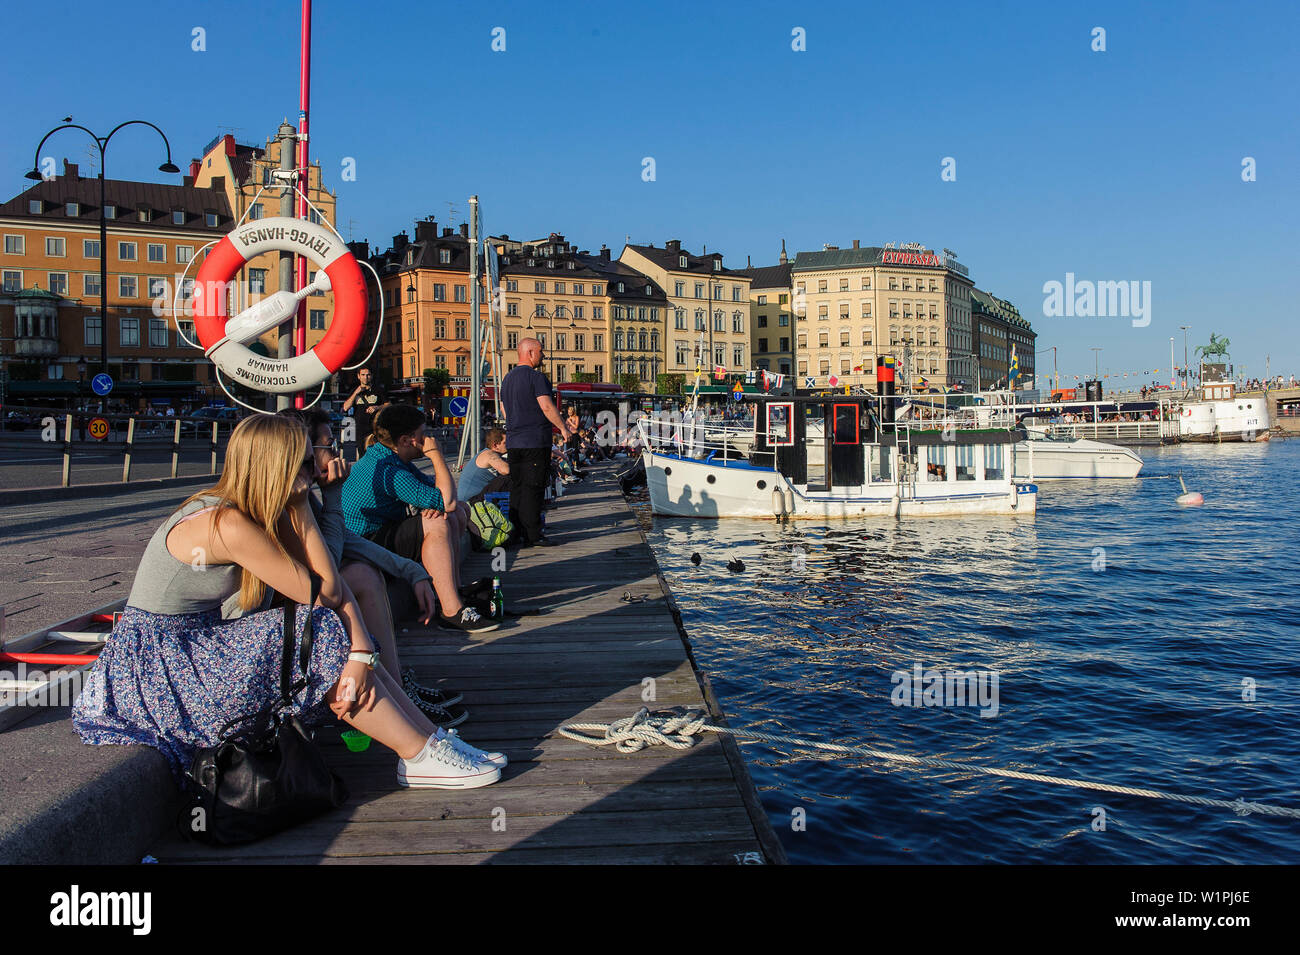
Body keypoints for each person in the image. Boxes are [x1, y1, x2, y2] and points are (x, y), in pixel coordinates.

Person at [72, 414, 504, 790]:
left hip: (188, 649)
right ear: (276, 466)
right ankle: (417, 754)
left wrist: (361, 650)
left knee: (328, 628)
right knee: (314, 634)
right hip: (158, 666)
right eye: (304, 460)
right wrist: (301, 506)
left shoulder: (252, 509)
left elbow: (332, 581)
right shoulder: (228, 524)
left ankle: (428, 740)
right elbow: (321, 591)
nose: (316, 468)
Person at [268, 408, 469, 727]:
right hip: (269, 626)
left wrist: (410, 570)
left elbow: (345, 541)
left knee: (442, 519)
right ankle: (402, 691)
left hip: (348, 557)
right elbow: (330, 575)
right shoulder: (286, 506)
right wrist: (332, 495)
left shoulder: (309, 495)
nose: (336, 452)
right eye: (328, 445)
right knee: (362, 575)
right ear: (300, 452)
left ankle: (398, 686)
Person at [341, 404, 496, 633]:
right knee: (438, 522)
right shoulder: (390, 471)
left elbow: (445, 496)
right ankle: (451, 612)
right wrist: (435, 455)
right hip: (364, 545)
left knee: (455, 513)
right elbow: (448, 501)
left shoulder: (389, 457)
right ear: (406, 440)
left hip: (378, 534)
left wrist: (436, 504)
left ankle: (453, 592)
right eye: (423, 434)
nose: (428, 438)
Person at [501, 338, 571, 547]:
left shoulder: (508, 378)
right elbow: (547, 407)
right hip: (534, 440)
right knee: (533, 488)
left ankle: (515, 531)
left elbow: (504, 410)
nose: (543, 355)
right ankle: (533, 535)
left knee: (518, 487)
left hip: (514, 441)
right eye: (540, 351)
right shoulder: (536, 377)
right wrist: (564, 429)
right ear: (530, 352)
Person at [343, 368, 388, 461]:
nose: (365, 377)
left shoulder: (378, 390)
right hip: (360, 429)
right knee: (362, 456)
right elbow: (345, 407)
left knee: (377, 455)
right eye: (363, 375)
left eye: (368, 375)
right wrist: (356, 393)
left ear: (371, 376)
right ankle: (364, 474)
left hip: (375, 428)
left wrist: (377, 407)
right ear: (358, 376)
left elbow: (388, 405)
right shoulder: (354, 391)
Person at [457, 426, 511, 503]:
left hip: (475, 498)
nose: (509, 445)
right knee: (506, 479)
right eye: (506, 443)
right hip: (470, 501)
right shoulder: (489, 454)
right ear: (495, 445)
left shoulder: (491, 454)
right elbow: (506, 470)